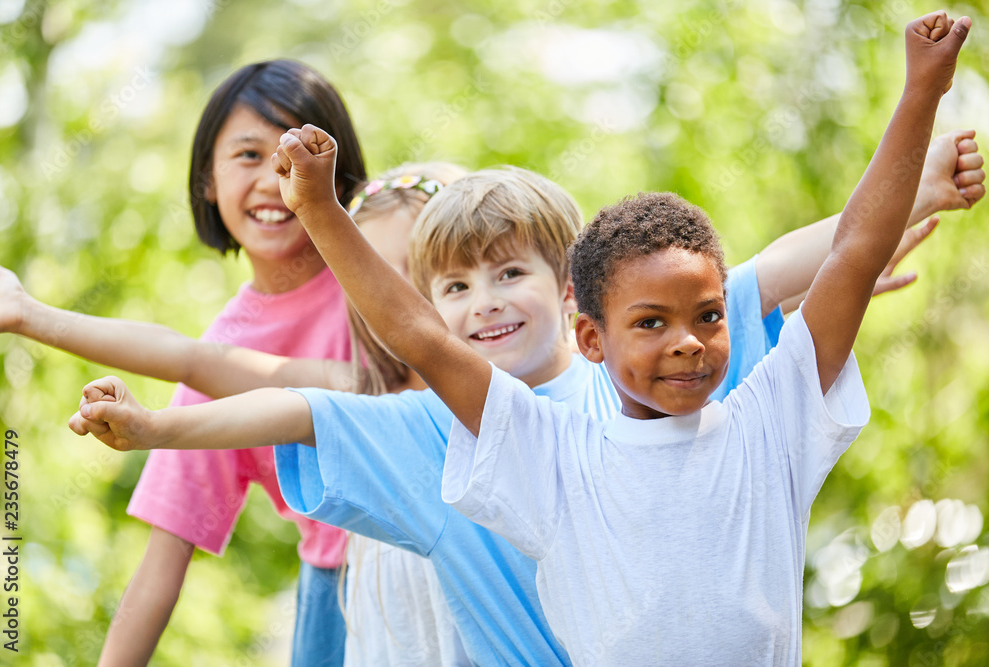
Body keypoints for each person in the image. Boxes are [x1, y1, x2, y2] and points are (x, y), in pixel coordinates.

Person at [68, 110, 979, 665]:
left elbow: (774, 270)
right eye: (456, 287)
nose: (484, 304)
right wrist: (156, 430)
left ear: (574, 296)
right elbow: (295, 405)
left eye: (509, 275)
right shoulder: (435, 424)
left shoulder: (647, 367)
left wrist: (920, 190)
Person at [0, 59, 368, 666]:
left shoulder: (385, 276)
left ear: (338, 172)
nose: (275, 179)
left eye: (295, 154)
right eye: (248, 154)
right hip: (338, 594)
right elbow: (161, 565)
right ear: (206, 182)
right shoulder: (214, 358)